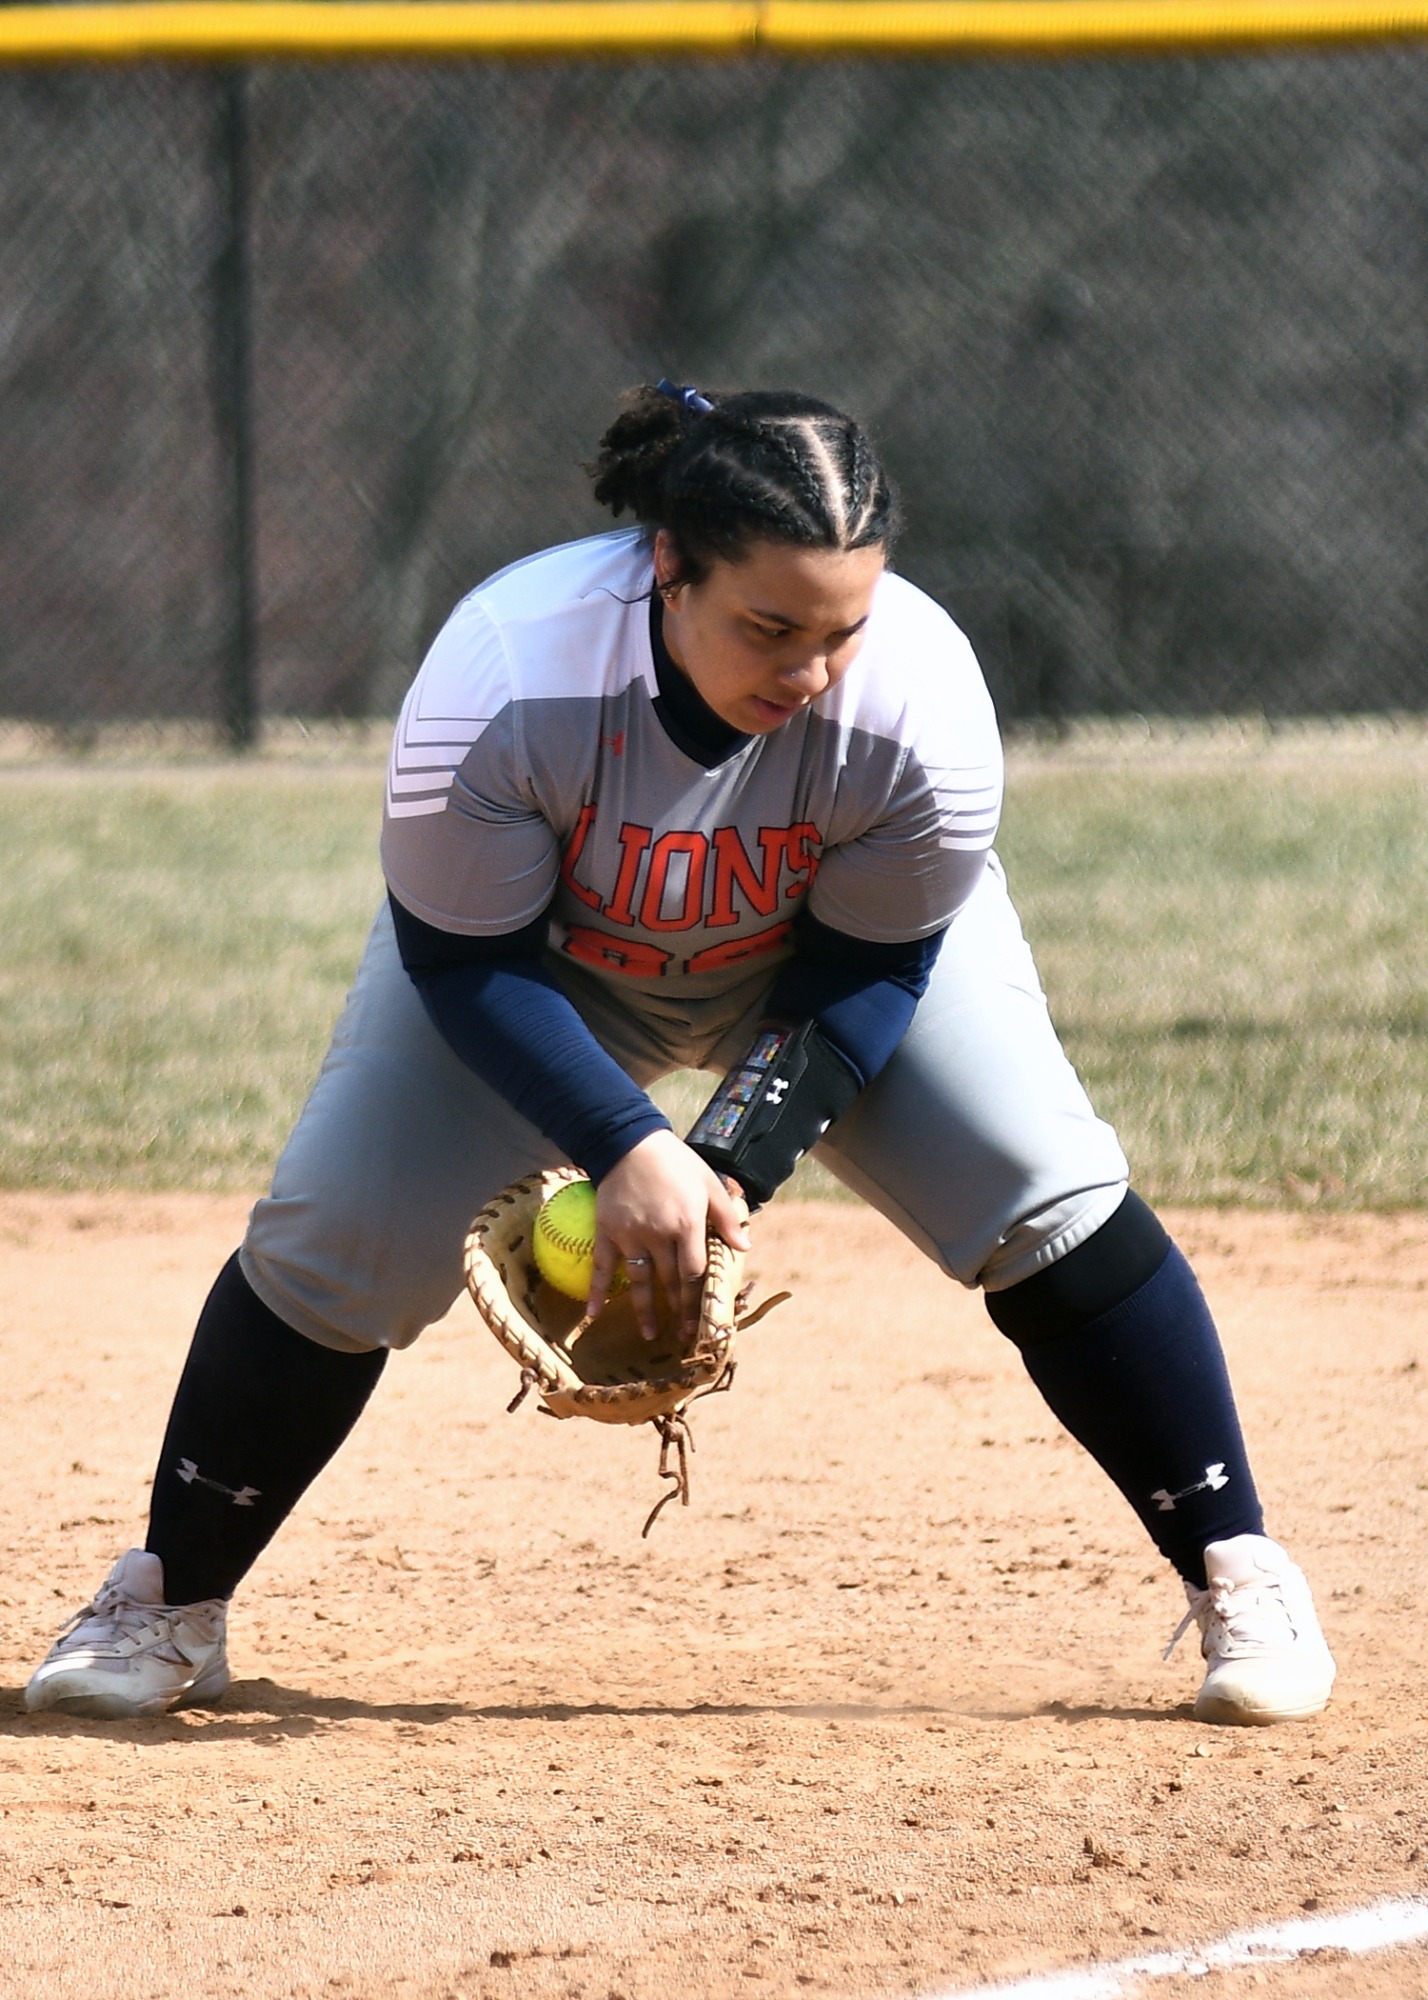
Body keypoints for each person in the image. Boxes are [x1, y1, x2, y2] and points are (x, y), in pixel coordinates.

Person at [26, 382, 1335, 1726]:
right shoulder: (508, 672)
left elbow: (871, 969)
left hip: (819, 962)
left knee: (1045, 1194)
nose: (811, 669)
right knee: (331, 1243)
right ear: (667, 565)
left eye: (843, 628)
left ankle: (1237, 1563)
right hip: (548, 971)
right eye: (768, 625)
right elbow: (466, 961)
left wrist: (720, 1170)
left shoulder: (924, 709)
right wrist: (625, 1145)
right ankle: (167, 1603)